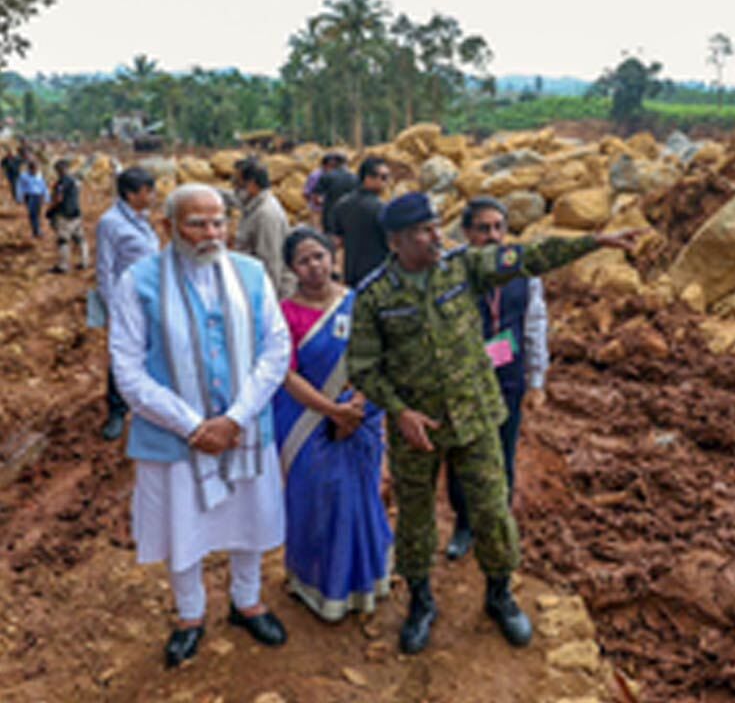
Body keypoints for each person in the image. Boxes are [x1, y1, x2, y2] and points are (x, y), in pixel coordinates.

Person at [347, 191, 643, 654]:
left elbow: (529, 256)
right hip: (416, 429)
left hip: (476, 415)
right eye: (424, 232)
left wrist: (595, 241)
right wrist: (399, 411)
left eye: (435, 227)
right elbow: (363, 367)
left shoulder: (463, 267)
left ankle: (500, 594)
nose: (435, 237)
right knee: (417, 518)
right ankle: (421, 601)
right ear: (396, 241)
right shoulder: (374, 296)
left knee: (491, 509)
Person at [109, 183, 291, 668]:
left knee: (248, 517)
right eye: (197, 223)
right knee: (182, 526)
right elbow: (127, 369)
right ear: (168, 227)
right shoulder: (139, 281)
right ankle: (190, 615)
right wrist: (194, 426)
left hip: (244, 429)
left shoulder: (250, 274)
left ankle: (246, 601)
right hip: (174, 437)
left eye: (218, 222)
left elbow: (277, 349)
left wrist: (234, 418)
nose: (211, 233)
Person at [274, 227, 392, 621]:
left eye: (319, 256)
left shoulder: (358, 302)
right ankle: (316, 584)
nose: (314, 267)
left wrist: (355, 405)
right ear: (292, 268)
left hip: (361, 416)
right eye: (304, 260)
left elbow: (376, 356)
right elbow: (287, 375)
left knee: (360, 495)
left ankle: (365, 582)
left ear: (333, 257)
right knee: (318, 499)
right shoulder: (284, 313)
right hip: (306, 421)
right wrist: (331, 410)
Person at [444, 197, 548, 561]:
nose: (492, 236)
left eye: (498, 228)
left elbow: (535, 324)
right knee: (461, 455)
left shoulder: (522, 271)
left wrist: (537, 380)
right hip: (461, 383)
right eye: (483, 228)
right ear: (467, 232)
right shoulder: (450, 271)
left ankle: (496, 523)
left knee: (503, 452)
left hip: (508, 377)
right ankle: (464, 524)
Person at [95, 166, 159, 441]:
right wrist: (111, 307)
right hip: (126, 301)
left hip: (152, 296)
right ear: (132, 194)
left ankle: (149, 403)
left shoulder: (142, 219)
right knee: (122, 353)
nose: (153, 196)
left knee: (153, 348)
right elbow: (104, 268)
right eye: (148, 191)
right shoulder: (110, 223)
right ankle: (117, 411)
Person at [234, 158, 295, 297]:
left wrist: (266, 301)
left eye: (238, 184)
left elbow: (271, 263)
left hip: (269, 294)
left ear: (252, 185)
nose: (235, 189)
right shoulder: (253, 208)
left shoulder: (265, 214)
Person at [328, 156, 390, 288]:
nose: (387, 182)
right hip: (378, 274)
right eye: (383, 177)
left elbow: (337, 242)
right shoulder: (381, 208)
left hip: (351, 274)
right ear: (368, 178)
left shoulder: (341, 204)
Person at [45, 159, 88, 273]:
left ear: (58, 170)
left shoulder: (61, 183)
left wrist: (50, 209)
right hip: (76, 213)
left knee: (63, 240)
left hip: (64, 214)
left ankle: (63, 266)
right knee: (80, 239)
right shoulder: (75, 181)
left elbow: (58, 198)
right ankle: (85, 261)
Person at [312, 152, 357, 235]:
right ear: (346, 162)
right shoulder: (355, 178)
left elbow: (316, 198)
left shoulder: (327, 176)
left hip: (331, 217)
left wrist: (324, 202)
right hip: (350, 217)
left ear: (333, 163)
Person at [16, 159, 47, 239]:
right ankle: (37, 231)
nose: (36, 170)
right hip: (29, 196)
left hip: (38, 196)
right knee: (33, 214)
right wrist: (19, 198)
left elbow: (43, 186)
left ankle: (36, 230)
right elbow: (20, 187)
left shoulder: (39, 175)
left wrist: (46, 197)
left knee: (37, 213)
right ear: (30, 169)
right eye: (34, 169)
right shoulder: (24, 176)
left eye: (37, 168)